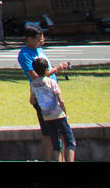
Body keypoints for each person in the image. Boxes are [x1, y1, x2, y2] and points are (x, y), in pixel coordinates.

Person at [18, 25, 70, 162]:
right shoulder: (24, 54)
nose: (41, 43)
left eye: (42, 41)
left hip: (52, 91)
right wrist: (57, 69)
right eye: (38, 41)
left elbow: (46, 70)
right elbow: (36, 76)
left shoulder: (39, 50)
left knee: (62, 131)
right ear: (29, 39)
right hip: (42, 96)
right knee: (49, 132)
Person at [31, 58, 75, 162]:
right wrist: (65, 113)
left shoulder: (33, 84)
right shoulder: (52, 82)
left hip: (46, 116)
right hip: (59, 115)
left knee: (56, 142)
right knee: (69, 140)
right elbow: (61, 101)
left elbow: (32, 101)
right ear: (47, 69)